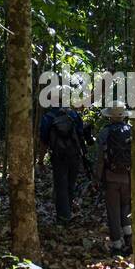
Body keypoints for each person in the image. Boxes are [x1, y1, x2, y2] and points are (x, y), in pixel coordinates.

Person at [39, 96, 88, 224]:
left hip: (58, 156)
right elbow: (80, 134)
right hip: (74, 155)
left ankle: (63, 218)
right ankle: (68, 212)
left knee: (61, 186)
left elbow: (43, 141)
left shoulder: (48, 117)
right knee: (70, 185)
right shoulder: (73, 114)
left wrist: (40, 160)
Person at [95, 102, 132, 255]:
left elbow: (100, 159)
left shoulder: (105, 133)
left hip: (111, 178)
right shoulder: (131, 131)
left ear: (110, 117)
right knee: (126, 208)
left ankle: (116, 245)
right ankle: (129, 240)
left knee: (113, 212)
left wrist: (97, 177)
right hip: (128, 177)